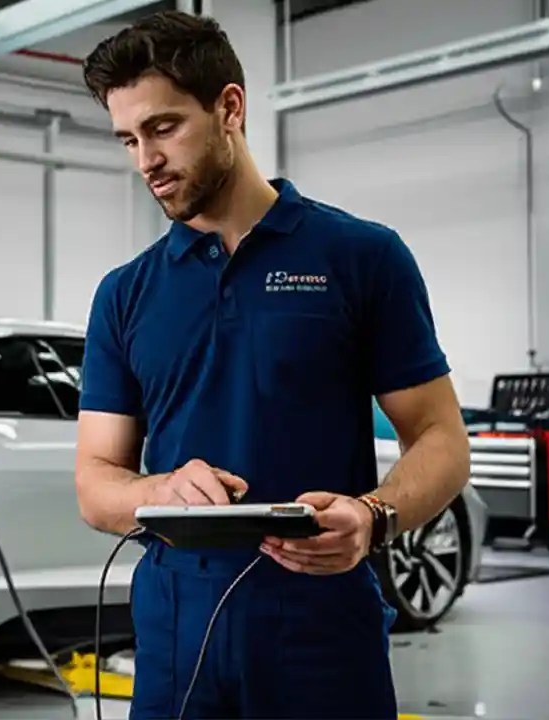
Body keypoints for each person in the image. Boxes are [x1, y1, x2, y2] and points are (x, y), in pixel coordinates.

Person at [73, 10, 470, 720]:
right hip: (175, 628)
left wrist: (374, 517)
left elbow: (442, 440)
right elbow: (96, 483)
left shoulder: (361, 258)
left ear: (230, 107)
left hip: (319, 619)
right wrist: (161, 487)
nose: (145, 161)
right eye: (128, 139)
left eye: (163, 128)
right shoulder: (124, 295)